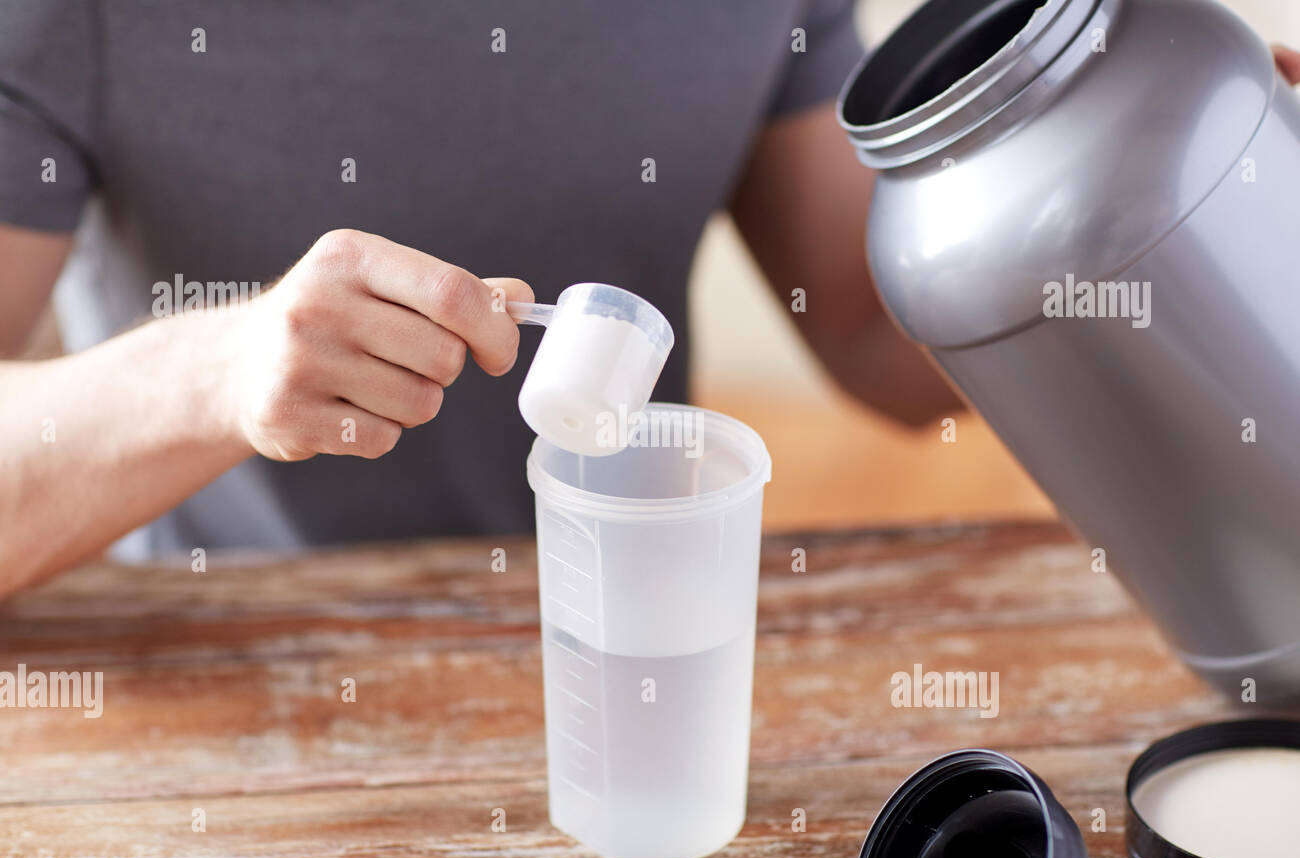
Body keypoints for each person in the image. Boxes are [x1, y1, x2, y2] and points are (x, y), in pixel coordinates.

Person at [1, 2, 1297, 597]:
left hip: (648, 614)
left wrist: (1175, 219)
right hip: (241, 643)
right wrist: (216, 375)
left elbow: (868, 326)